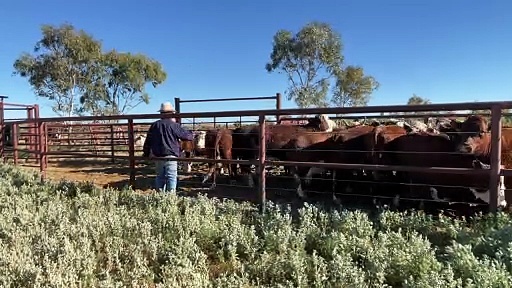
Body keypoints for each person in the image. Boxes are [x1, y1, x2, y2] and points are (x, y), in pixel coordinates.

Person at [142, 102, 194, 193]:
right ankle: (171, 199)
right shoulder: (174, 125)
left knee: (159, 176)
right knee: (171, 177)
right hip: (171, 156)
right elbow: (186, 136)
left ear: (161, 113)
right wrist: (191, 133)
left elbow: (148, 141)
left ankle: (160, 196)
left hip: (158, 156)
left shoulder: (154, 125)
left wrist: (146, 153)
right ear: (171, 113)